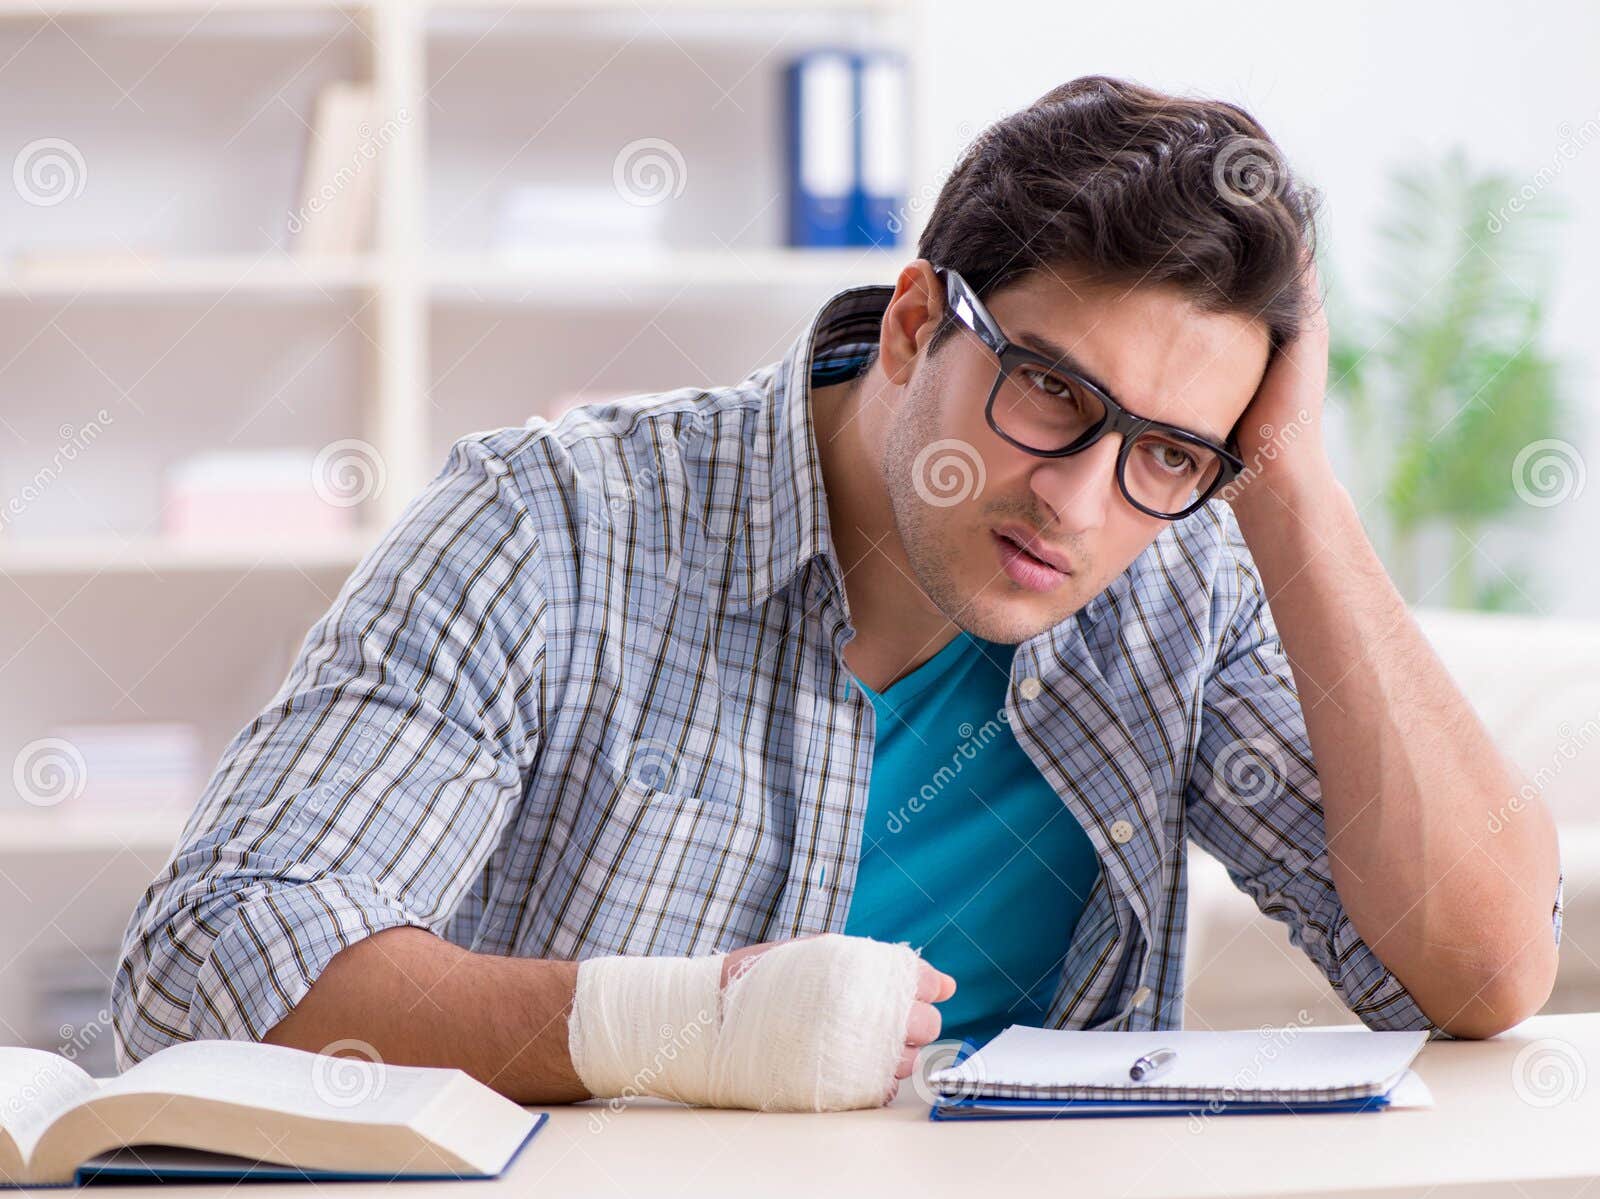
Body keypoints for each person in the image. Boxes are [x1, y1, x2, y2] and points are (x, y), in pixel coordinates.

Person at [113, 74, 1561, 1110]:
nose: (1078, 496)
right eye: (1053, 391)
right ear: (920, 322)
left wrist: (1291, 485)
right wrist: (678, 1026)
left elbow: (1482, 970)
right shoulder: (552, 525)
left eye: (1172, 449)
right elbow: (208, 964)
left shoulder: (1177, 569)